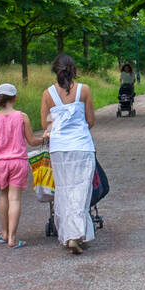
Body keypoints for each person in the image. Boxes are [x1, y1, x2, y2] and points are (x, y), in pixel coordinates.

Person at [40, 53, 96, 254]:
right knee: (81, 190)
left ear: (55, 71)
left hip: (59, 148)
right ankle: (77, 234)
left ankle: (68, 234)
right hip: (81, 146)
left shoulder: (48, 94)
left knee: (63, 190)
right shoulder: (84, 90)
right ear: (74, 70)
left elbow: (45, 123)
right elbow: (90, 120)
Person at [0, 83, 43, 249]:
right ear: (15, 98)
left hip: (0, 163)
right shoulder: (22, 117)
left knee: (4, 196)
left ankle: (3, 233)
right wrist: (44, 138)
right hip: (18, 162)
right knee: (14, 198)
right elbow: (31, 141)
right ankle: (13, 238)